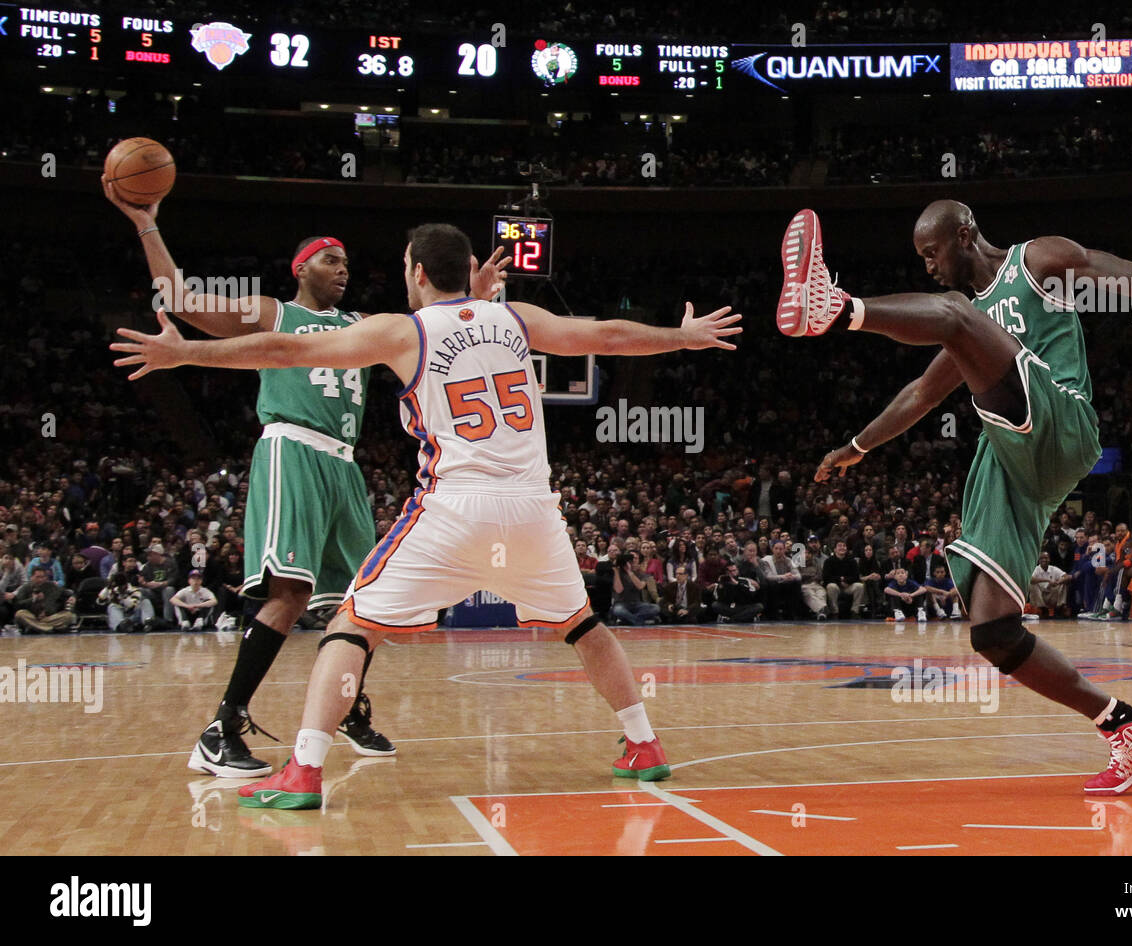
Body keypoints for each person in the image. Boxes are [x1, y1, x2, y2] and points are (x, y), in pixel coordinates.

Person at [113, 221, 741, 808]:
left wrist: (185, 354)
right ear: (469, 270)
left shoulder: (401, 331)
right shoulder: (517, 318)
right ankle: (643, 742)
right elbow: (606, 334)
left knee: (352, 624)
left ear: (415, 272)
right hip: (534, 510)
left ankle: (303, 769)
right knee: (582, 625)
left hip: (456, 509)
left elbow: (283, 352)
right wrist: (681, 337)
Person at [784, 200, 1132, 793]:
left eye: (931, 252)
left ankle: (837, 306)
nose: (928, 266)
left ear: (964, 233)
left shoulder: (1037, 262)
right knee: (993, 631)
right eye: (920, 258)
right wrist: (856, 447)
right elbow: (920, 394)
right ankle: (1129, 726)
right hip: (1011, 465)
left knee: (953, 315)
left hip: (1063, 423)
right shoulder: (969, 327)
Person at [103, 180, 508, 776]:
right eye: (329, 259)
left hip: (343, 465)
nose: (343, 268)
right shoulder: (276, 313)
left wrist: (468, 293)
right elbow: (179, 296)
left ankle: (343, 706)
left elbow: (437, 318)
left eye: (346, 261)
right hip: (293, 449)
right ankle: (222, 727)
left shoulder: (365, 323)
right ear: (301, 268)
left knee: (364, 603)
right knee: (288, 596)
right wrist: (145, 222)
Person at [13, 565, 76, 634]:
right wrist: (33, 599)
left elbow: (66, 592)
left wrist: (73, 597)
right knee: (20, 614)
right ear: (31, 577)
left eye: (42, 577)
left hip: (49, 617)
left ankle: (37, 628)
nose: (40, 580)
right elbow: (18, 604)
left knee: (68, 616)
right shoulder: (25, 588)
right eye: (37, 577)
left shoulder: (51, 586)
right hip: (32, 617)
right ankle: (48, 628)